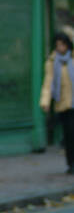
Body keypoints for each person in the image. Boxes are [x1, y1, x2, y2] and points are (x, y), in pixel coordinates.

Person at [39, 27, 74, 173]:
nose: (60, 48)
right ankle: (71, 164)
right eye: (57, 45)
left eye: (62, 44)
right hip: (62, 104)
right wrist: (45, 101)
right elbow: (48, 82)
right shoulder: (53, 62)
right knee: (68, 135)